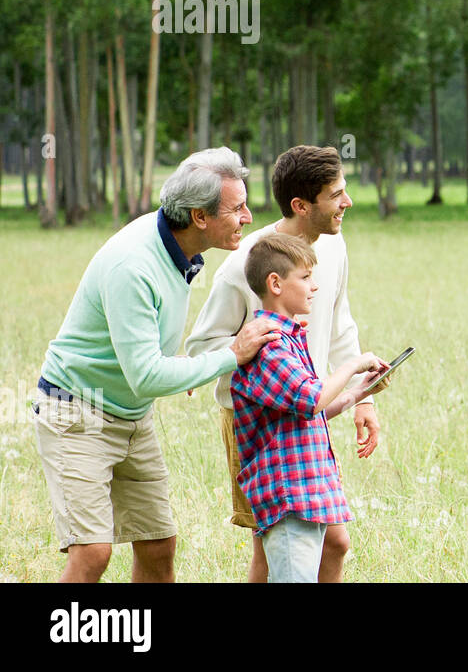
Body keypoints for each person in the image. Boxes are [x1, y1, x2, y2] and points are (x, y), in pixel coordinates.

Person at [33, 147, 277, 583]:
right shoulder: (135, 263)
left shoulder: (182, 244)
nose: (248, 217)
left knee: (158, 544)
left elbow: (145, 352)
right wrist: (231, 355)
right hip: (77, 409)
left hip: (131, 416)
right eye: (237, 208)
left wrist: (181, 364)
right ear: (199, 216)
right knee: (91, 553)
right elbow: (145, 376)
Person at [186, 144, 382, 582]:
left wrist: (363, 402)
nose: (347, 203)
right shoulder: (248, 263)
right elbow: (201, 346)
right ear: (301, 205)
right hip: (257, 422)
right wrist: (243, 345)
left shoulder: (332, 248)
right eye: (337, 195)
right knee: (271, 547)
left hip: (309, 410)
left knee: (333, 541)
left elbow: (339, 322)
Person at [230, 234, 386, 582]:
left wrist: (360, 392)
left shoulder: (289, 340)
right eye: (305, 277)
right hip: (289, 496)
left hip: (308, 493)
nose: (315, 287)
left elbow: (310, 413)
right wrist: (353, 365)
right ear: (276, 284)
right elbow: (311, 398)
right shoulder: (269, 346)